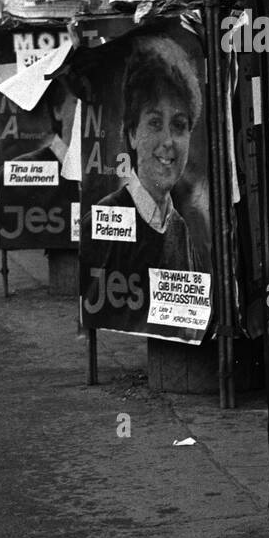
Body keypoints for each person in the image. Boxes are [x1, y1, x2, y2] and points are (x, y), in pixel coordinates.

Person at [82, 35, 203, 334]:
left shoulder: (179, 228)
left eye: (178, 125)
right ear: (132, 134)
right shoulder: (101, 220)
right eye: (154, 123)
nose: (167, 142)